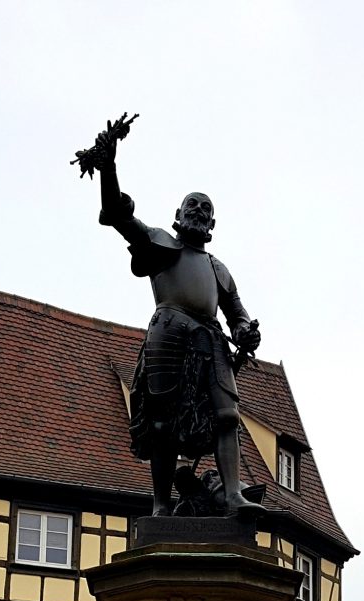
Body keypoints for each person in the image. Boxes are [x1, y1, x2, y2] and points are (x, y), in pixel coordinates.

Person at [76, 114, 263, 518]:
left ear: (212, 224)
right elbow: (116, 214)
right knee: (162, 424)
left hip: (210, 340)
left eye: (206, 209)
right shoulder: (161, 243)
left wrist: (247, 332)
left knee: (227, 415)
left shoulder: (219, 269)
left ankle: (232, 495)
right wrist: (108, 166)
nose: (198, 211)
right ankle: (161, 506)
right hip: (170, 332)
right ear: (178, 214)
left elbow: (237, 313)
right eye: (192, 205)